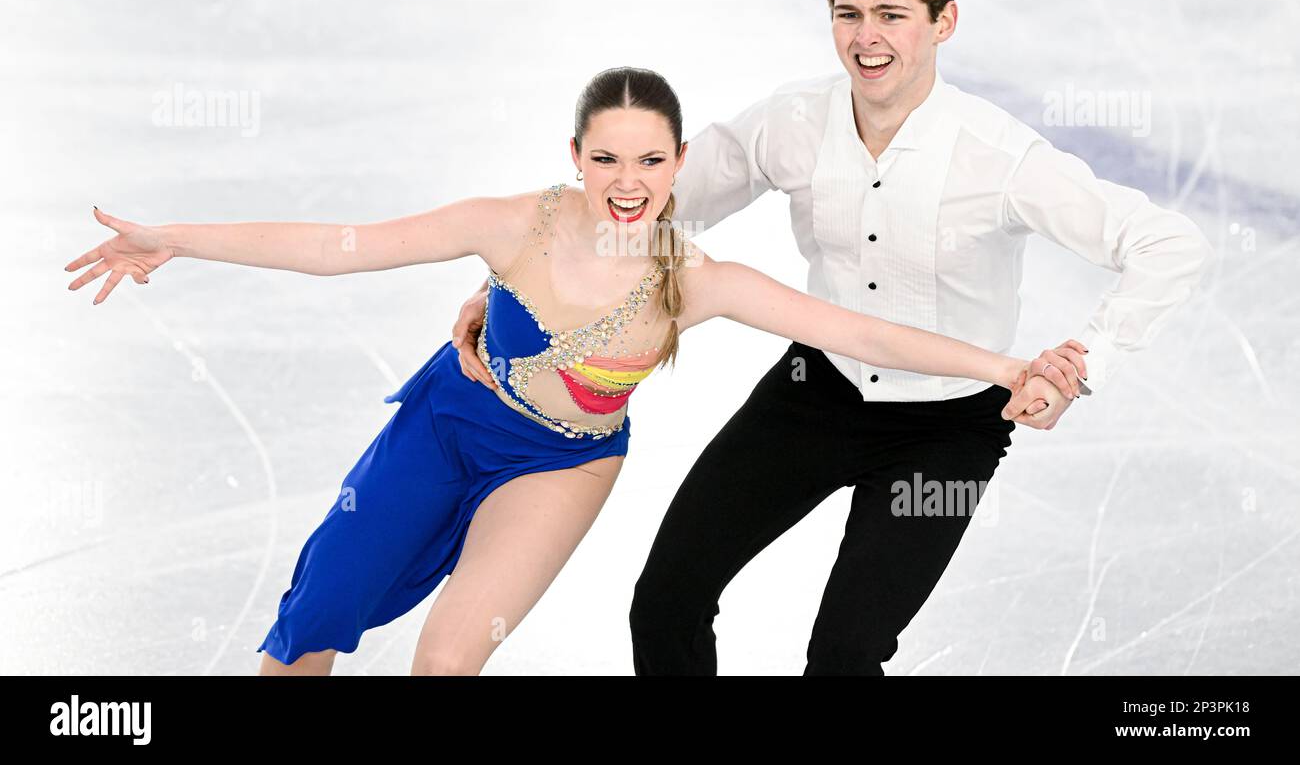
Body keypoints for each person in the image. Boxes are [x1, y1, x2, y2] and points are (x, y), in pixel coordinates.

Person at [63, 65, 1080, 676]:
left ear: (678, 163)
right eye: (606, 160)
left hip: (561, 462)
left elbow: (862, 333)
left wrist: (1005, 363)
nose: (626, 184)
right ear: (576, 157)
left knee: (450, 658)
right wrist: (179, 238)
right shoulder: (516, 223)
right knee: (309, 625)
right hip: (447, 421)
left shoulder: (699, 279)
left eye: (648, 162)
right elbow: (342, 243)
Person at [450, 0, 1215, 675]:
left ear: (944, 21)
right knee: (666, 600)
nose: (865, 37)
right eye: (848, 13)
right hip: (815, 392)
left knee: (845, 656)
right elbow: (644, 204)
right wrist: (521, 285)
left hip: (946, 430)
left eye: (892, 13)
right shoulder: (795, 120)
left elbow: (1166, 241)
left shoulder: (998, 158)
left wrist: (1085, 358)